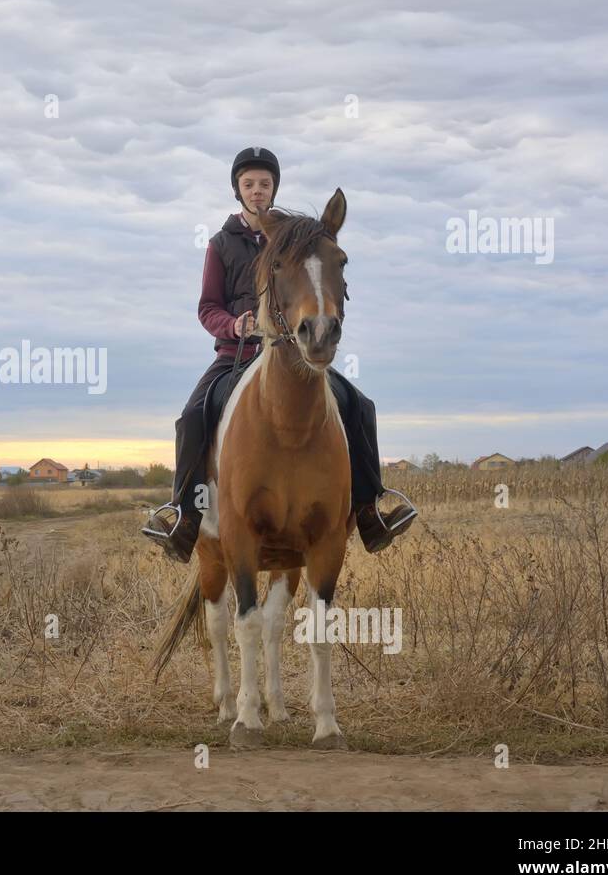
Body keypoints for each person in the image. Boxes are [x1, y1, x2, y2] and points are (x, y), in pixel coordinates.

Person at [143, 146, 417, 564]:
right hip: (236, 354)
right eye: (249, 184)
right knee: (192, 415)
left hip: (292, 356)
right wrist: (232, 325)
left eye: (265, 184)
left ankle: (369, 509)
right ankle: (183, 514)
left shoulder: (294, 238)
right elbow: (206, 307)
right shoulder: (221, 244)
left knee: (359, 405)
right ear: (237, 190)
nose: (257, 191)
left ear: (274, 189)